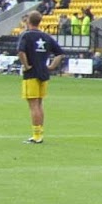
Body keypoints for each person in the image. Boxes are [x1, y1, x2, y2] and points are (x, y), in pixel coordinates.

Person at [15, 11, 66, 144]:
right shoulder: (46, 36)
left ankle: (36, 136)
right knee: (39, 104)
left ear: (28, 21)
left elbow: (21, 52)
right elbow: (60, 54)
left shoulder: (26, 35)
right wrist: (51, 67)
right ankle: (40, 133)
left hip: (31, 74)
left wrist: (26, 65)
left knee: (33, 105)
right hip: (43, 74)